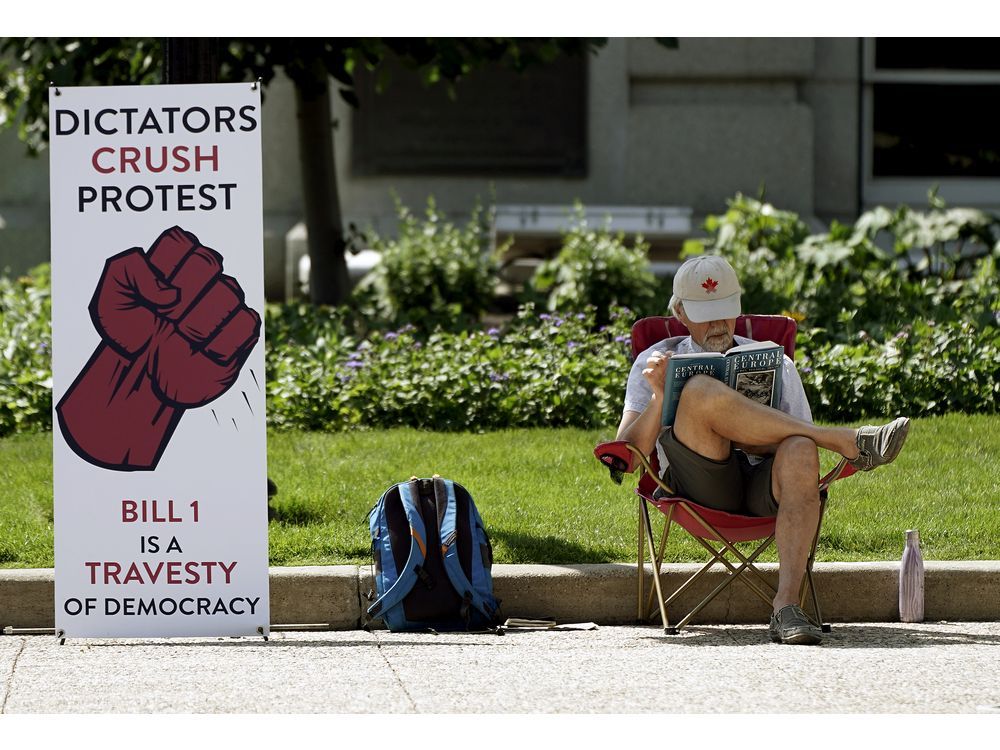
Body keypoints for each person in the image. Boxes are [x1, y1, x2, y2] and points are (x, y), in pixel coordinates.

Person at [617, 255, 910, 645]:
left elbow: (800, 452)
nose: (718, 324)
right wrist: (659, 395)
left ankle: (786, 607)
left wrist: (751, 435)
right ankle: (843, 440)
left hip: (763, 486)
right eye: (706, 315)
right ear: (680, 313)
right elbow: (627, 454)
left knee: (801, 447)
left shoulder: (776, 361)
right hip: (700, 487)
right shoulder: (654, 361)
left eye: (725, 312)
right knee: (698, 389)